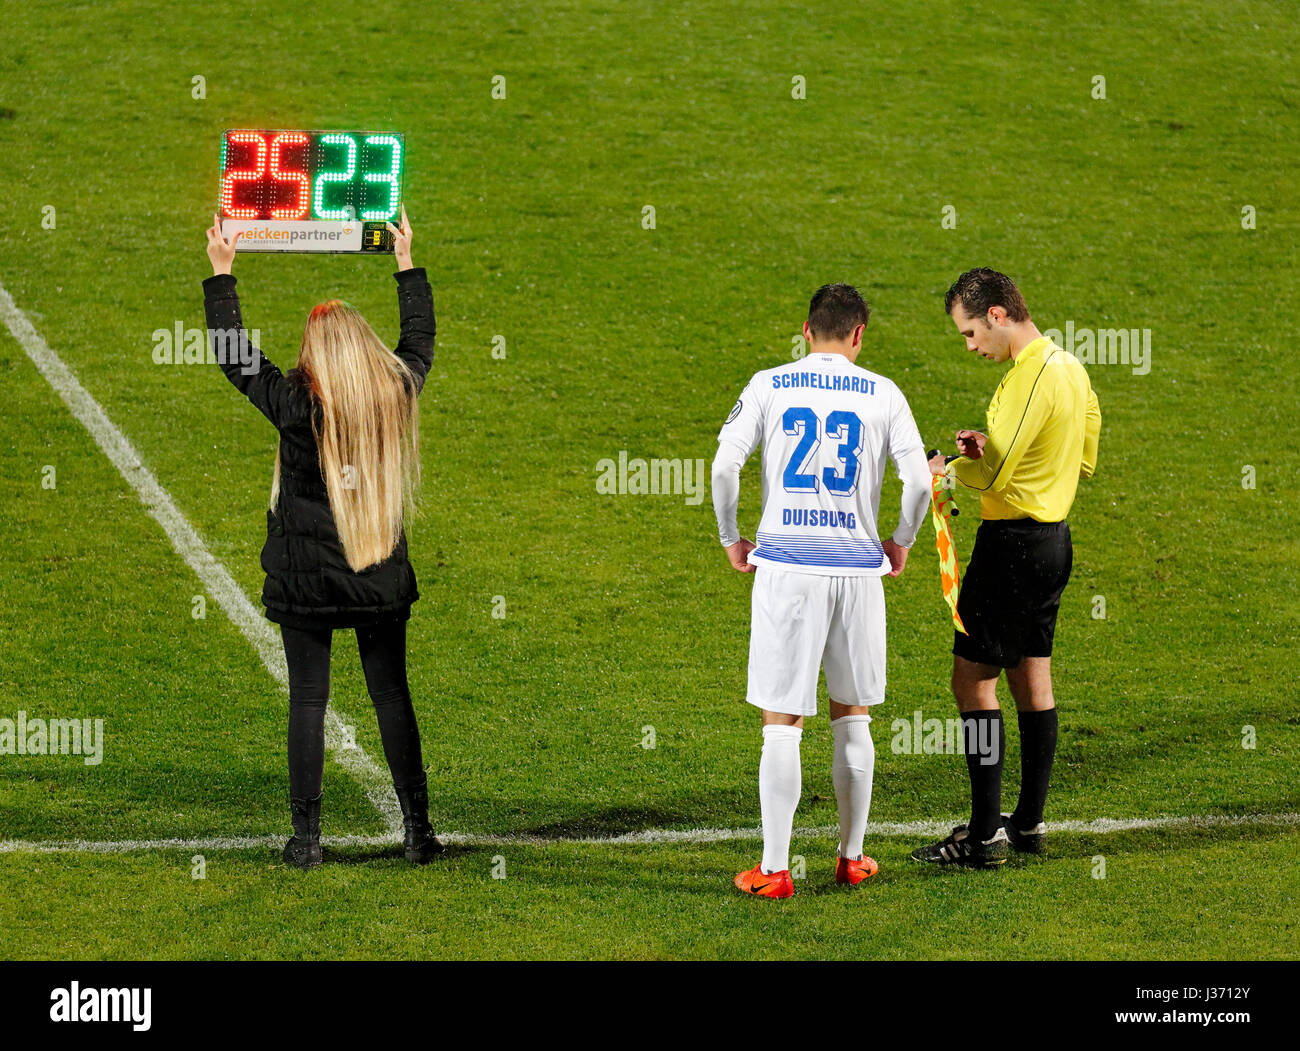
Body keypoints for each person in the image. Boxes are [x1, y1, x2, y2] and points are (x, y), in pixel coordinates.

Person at [202, 207, 443, 869]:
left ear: (315, 359)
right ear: (366, 350)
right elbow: (419, 341)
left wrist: (222, 274)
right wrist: (405, 262)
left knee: (309, 698)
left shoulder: (294, 406)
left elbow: (234, 359)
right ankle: (418, 831)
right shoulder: (394, 393)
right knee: (391, 694)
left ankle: (306, 839)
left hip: (305, 581)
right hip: (377, 574)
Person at [712, 283, 931, 898]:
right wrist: (900, 541)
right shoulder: (884, 393)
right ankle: (852, 858)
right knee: (852, 713)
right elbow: (917, 481)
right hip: (859, 573)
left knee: (782, 721)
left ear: (806, 331)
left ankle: (775, 870)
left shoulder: (768, 384)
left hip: (786, 567)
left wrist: (733, 537)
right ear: (859, 335)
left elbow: (724, 467)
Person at [912, 267, 1100, 867]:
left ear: (997, 315)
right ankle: (1028, 825)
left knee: (972, 681)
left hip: (1012, 547)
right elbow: (1084, 460)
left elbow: (993, 478)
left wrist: (945, 468)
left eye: (970, 333)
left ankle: (984, 833)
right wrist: (992, 449)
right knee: (1031, 674)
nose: (972, 347)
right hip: (1053, 542)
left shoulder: (1029, 377)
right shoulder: (1072, 369)